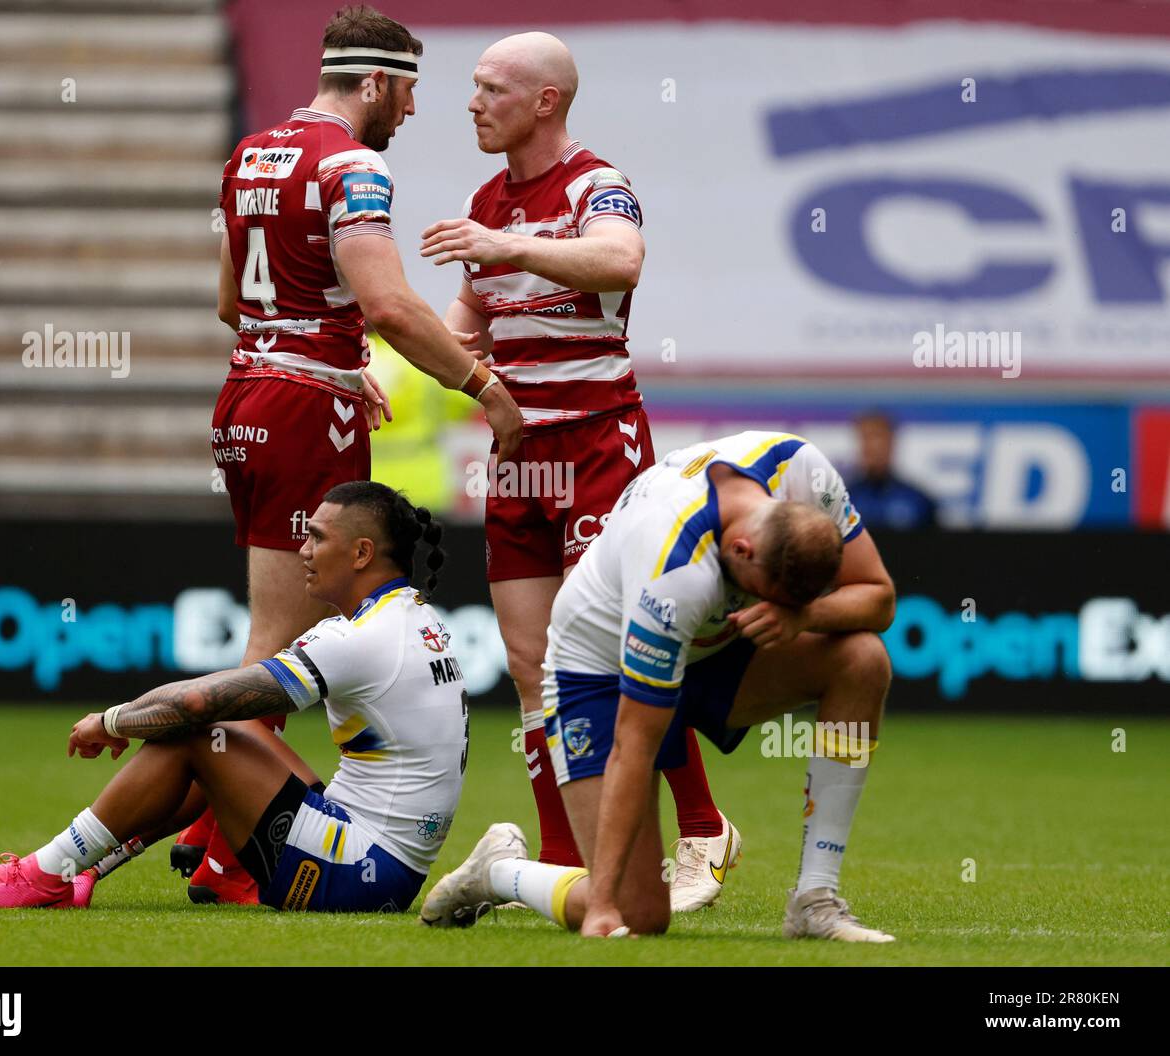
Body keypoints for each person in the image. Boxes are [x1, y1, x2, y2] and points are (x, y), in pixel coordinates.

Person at [178, 5, 521, 902]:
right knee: (273, 650)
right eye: (406, 92)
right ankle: (212, 845)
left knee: (270, 636)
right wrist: (483, 386)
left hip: (245, 399)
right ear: (373, 82)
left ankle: (213, 834)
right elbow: (394, 308)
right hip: (301, 411)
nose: (410, 113)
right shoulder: (353, 166)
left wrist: (333, 361)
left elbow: (230, 304)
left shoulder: (251, 154)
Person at [419, 31, 738, 913]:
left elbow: (619, 261)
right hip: (519, 456)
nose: (474, 103)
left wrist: (508, 244)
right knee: (533, 662)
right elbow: (465, 327)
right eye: (473, 88)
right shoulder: (486, 198)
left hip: (599, 445)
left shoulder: (597, 186)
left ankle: (704, 826)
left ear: (545, 101)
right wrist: (382, 346)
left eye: (490, 89)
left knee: (615, 651)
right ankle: (569, 858)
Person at [421, 431, 899, 942]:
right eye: (756, 594)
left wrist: (804, 615)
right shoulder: (675, 568)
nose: (758, 604)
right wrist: (602, 904)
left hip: (713, 649)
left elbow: (879, 597)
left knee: (863, 659)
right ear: (740, 549)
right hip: (597, 674)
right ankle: (500, 871)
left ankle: (814, 899)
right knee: (638, 915)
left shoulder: (801, 470)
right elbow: (635, 743)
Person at [0, 483, 470, 915]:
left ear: (361, 553)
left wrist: (112, 722)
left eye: (317, 538)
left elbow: (196, 706)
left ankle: (44, 875)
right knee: (241, 730)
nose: (302, 551)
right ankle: (85, 871)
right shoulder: (416, 619)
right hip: (387, 867)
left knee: (201, 731)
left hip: (355, 876)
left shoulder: (359, 637)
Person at [846, 412, 937, 530]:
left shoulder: (919, 502)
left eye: (878, 437)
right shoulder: (845, 500)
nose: (873, 446)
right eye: (866, 438)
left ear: (892, 442)